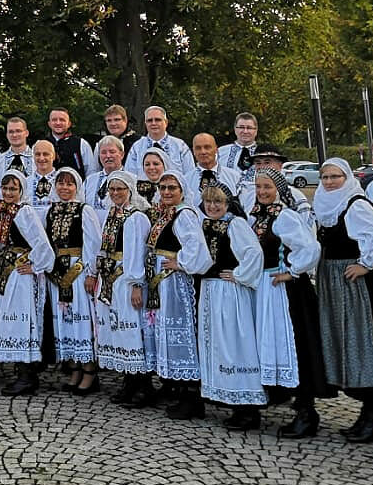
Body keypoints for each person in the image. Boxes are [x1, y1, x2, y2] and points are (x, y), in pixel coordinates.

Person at [312, 158, 373, 444]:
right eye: (325, 177)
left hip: (353, 284)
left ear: (347, 178)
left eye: (336, 177)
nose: (330, 182)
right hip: (333, 280)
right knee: (345, 342)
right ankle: (365, 414)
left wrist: (365, 264)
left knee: (362, 343)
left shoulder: (355, 204)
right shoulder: (323, 204)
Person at [250, 168, 328, 439]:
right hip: (265, 289)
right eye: (258, 187)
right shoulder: (256, 217)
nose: (262, 191)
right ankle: (280, 394)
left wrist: (292, 271)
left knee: (296, 348)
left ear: (279, 189)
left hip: (285, 291)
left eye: (267, 187)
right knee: (272, 344)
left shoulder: (285, 217)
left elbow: (311, 248)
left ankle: (307, 411)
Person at [197, 184, 266, 429]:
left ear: (228, 204)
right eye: (208, 202)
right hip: (210, 291)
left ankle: (247, 408)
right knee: (217, 344)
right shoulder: (203, 223)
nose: (213, 206)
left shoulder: (235, 224)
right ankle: (228, 397)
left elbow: (254, 253)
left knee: (235, 345)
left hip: (229, 292)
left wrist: (239, 274)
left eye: (218, 202)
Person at [143, 169, 209, 419]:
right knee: (165, 333)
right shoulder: (164, 214)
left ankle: (191, 396)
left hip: (175, 283)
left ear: (182, 191)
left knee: (180, 333)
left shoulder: (184, 215)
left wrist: (180, 262)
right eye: (163, 188)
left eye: (172, 188)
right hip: (162, 283)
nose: (167, 192)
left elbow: (197, 248)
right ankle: (174, 385)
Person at [0, 169, 56, 396]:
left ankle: (28, 374)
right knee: (9, 319)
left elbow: (42, 244)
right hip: (8, 271)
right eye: (5, 188)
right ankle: (21, 370)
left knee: (22, 320)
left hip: (21, 274)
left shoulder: (24, 212)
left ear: (21, 190)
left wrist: (35, 266)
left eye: (13, 189)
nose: (8, 193)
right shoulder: (5, 212)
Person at [87, 171, 150, 402]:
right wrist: (95, 272)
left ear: (130, 190)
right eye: (112, 189)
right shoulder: (111, 213)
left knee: (130, 328)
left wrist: (136, 284)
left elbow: (138, 253)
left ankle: (141, 385)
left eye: (120, 189)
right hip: (108, 278)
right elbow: (102, 246)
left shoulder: (136, 217)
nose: (115, 193)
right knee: (116, 330)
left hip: (125, 278)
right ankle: (127, 381)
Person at [43, 168, 103, 394]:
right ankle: (74, 368)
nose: (64, 188)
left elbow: (93, 242)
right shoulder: (51, 211)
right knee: (65, 320)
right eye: (60, 183)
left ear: (77, 187)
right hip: (58, 271)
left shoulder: (84, 211)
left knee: (82, 319)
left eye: (69, 184)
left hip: (78, 271)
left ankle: (89, 371)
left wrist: (91, 272)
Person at [127, 106, 195, 177]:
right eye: (149, 120)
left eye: (157, 120)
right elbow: (129, 177)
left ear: (166, 122)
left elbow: (190, 176)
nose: (153, 123)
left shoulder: (180, 146)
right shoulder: (136, 148)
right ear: (145, 124)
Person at [42, 107, 97, 178]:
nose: (58, 123)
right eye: (54, 120)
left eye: (62, 120)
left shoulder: (81, 144)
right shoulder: (41, 144)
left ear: (69, 124)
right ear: (49, 123)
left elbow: (91, 171)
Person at [189, 133, 240, 207]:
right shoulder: (186, 181)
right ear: (193, 151)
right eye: (198, 148)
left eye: (207, 147)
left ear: (216, 149)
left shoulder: (234, 177)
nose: (203, 152)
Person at [235, 142, 288, 213]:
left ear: (280, 165)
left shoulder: (294, 197)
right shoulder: (247, 193)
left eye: (267, 162)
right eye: (258, 163)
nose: (262, 167)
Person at [86, 138, 127, 213]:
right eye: (103, 152)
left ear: (122, 154)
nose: (108, 156)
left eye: (112, 152)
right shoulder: (90, 180)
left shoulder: (131, 179)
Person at [0, 116, 35, 184]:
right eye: (11, 132)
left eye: (18, 131)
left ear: (26, 133)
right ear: (7, 135)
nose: (14, 135)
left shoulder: (37, 160)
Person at [24, 138, 59, 211]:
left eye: (46, 154)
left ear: (54, 156)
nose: (41, 158)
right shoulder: (25, 183)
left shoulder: (63, 182)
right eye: (37, 154)